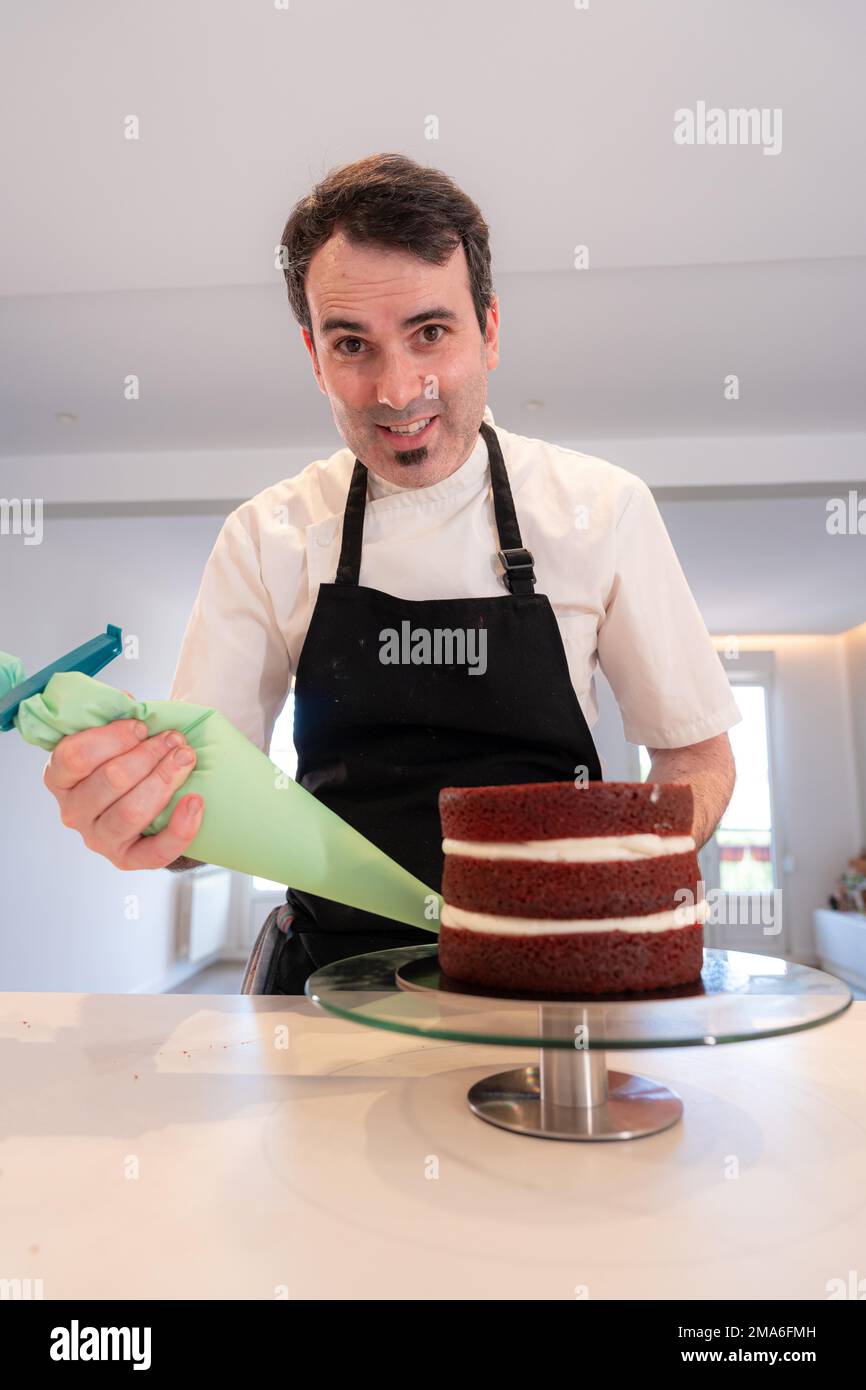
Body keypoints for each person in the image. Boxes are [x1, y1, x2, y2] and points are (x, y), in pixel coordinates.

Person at [42, 152, 740, 993]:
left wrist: (610, 867)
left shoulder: (603, 509)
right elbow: (201, 815)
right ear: (313, 354)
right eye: (352, 345)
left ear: (489, 328)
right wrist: (142, 809)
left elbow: (698, 758)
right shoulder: (266, 537)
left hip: (545, 983)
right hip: (330, 995)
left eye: (431, 333)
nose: (399, 390)